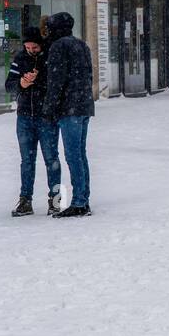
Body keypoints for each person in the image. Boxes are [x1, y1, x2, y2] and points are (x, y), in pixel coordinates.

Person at [42, 12, 95, 218]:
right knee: (80, 154)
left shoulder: (58, 47)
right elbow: (88, 75)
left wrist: (49, 108)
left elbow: (56, 81)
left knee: (73, 155)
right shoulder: (82, 45)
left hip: (69, 108)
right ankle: (83, 198)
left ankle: (79, 202)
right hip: (83, 106)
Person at [4, 27, 61, 217]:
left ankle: (55, 200)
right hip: (25, 116)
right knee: (27, 160)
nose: (30, 50)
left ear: (40, 44)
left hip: (46, 117)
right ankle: (25, 200)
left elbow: (56, 83)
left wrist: (39, 79)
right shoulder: (20, 58)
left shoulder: (50, 56)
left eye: (34, 47)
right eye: (27, 47)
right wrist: (22, 83)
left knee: (51, 159)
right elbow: (9, 85)